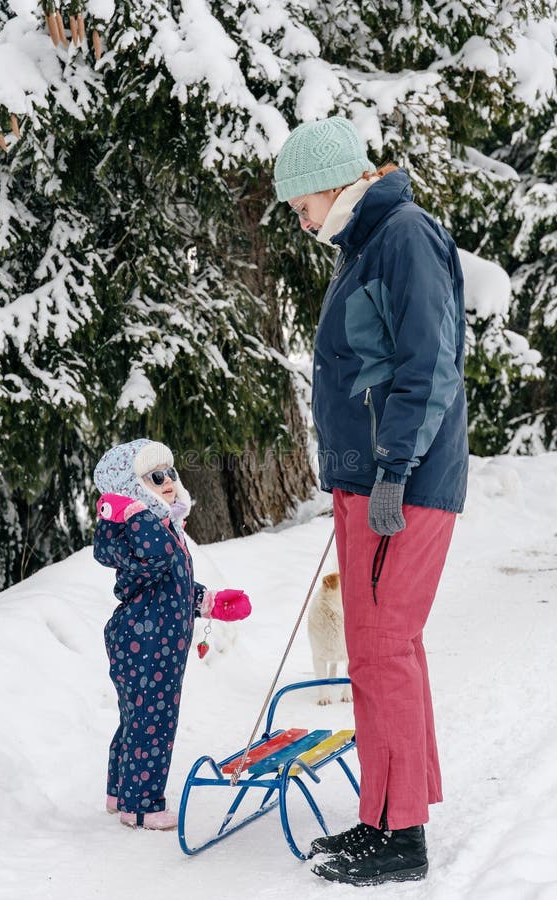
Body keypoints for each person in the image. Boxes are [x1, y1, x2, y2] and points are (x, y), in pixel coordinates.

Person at [273, 116, 468, 886]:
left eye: (301, 206)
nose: (302, 221)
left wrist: (392, 469)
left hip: (404, 483)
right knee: (383, 647)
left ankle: (398, 835)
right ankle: (396, 808)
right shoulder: (365, 242)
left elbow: (430, 364)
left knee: (383, 647)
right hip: (370, 481)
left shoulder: (403, 237)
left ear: (331, 184)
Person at [93, 438, 252, 830]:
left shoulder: (160, 528)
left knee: (137, 718)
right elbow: (158, 558)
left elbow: (168, 585)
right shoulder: (141, 531)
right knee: (152, 722)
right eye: (154, 477)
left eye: (170, 473)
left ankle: (119, 792)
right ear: (131, 489)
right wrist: (137, 513)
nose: (167, 482)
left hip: (154, 639)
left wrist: (208, 602)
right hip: (143, 641)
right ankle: (141, 807)